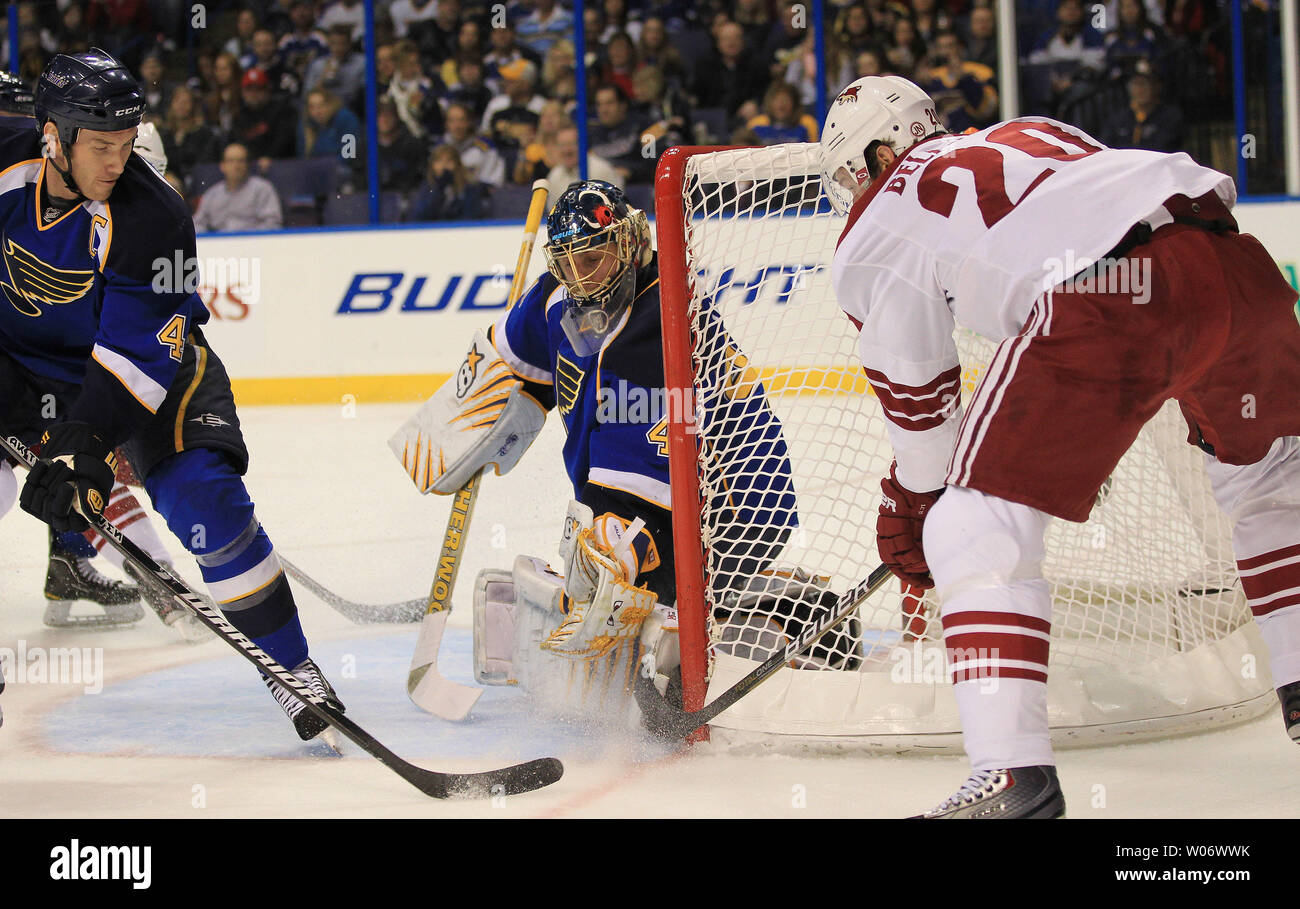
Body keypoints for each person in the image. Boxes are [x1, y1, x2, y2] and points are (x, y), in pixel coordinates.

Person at [818, 75, 1300, 817]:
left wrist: (914, 500)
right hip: (1234, 263)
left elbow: (922, 405)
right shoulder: (1030, 130)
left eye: (852, 174)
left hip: (1107, 300)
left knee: (971, 526)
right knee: (1271, 480)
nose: (854, 192)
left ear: (879, 156)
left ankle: (1011, 777)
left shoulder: (877, 221)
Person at [390, 181, 854, 730]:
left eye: (593, 258)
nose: (581, 277)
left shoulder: (668, 315)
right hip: (651, 497)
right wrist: (461, 426)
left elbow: (673, 460)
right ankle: (717, 610)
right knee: (598, 562)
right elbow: (507, 357)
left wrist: (627, 546)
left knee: (610, 568)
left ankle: (769, 618)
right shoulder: (557, 297)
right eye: (568, 263)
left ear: (629, 243)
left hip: (734, 503)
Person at [1, 50, 341, 738]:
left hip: (154, 365)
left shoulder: (153, 217)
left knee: (204, 498)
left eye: (127, 144)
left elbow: (133, 359)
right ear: (53, 136)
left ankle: (292, 667)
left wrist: (84, 449)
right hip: (25, 365)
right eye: (101, 146)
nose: (117, 163)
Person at [194, 141, 283, 232]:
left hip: (253, 239)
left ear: (248, 164)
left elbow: (273, 224)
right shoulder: (212, 194)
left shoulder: (262, 189)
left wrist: (245, 236)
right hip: (219, 239)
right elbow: (197, 224)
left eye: (240, 161)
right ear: (222, 166)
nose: (236, 166)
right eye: (231, 161)